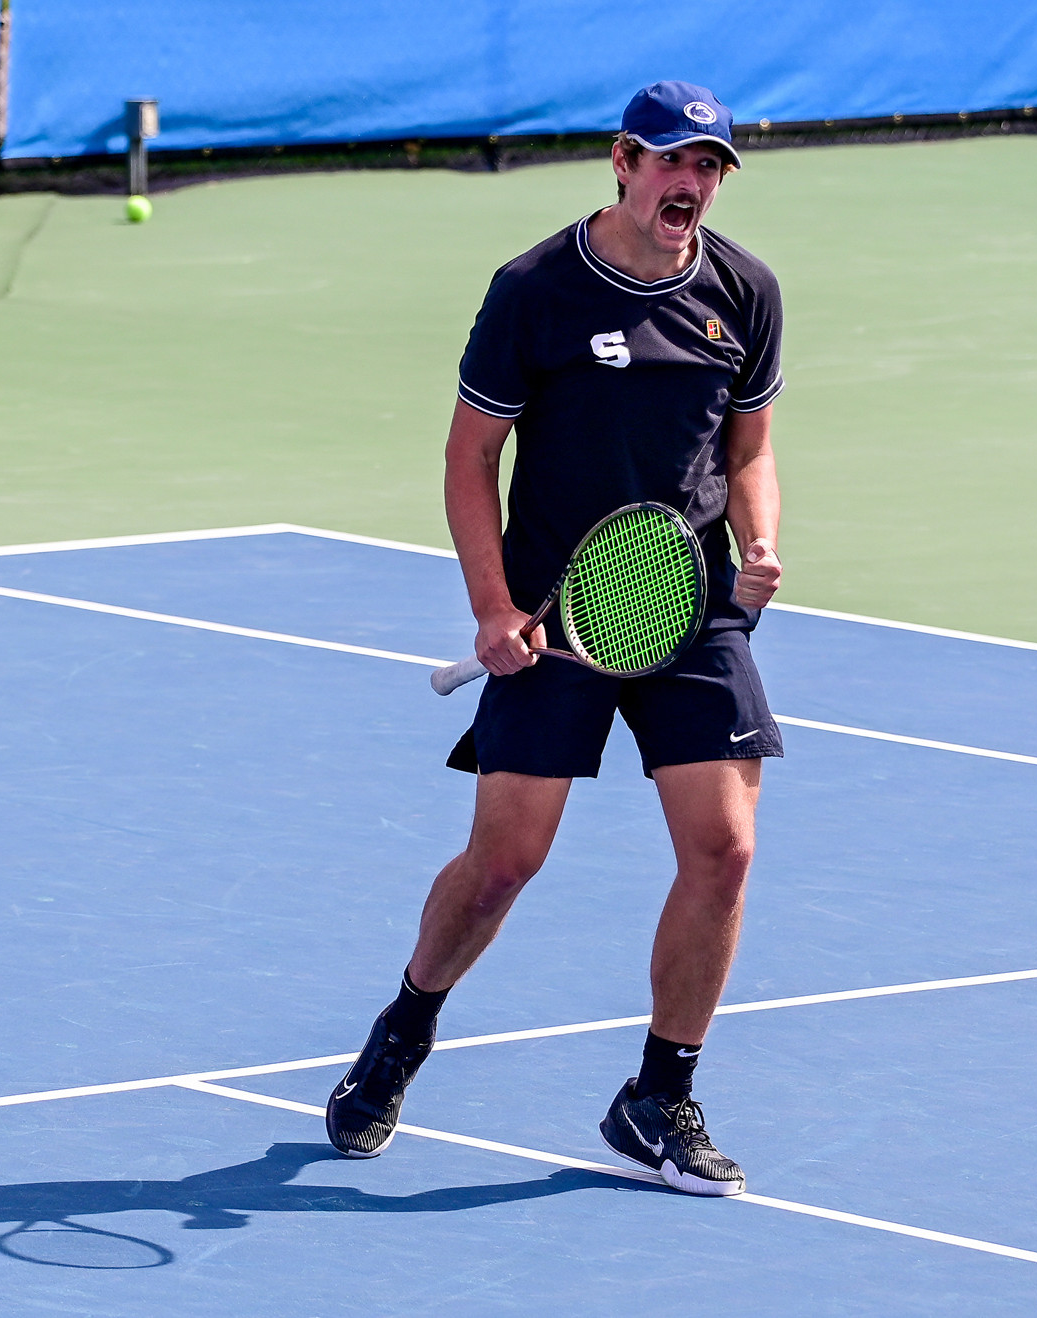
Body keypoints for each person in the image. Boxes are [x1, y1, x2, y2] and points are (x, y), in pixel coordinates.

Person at [325, 80, 785, 1197]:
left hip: (686, 600)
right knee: (503, 865)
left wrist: (764, 541)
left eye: (711, 168)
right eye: (675, 162)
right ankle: (408, 1025)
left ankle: (657, 1094)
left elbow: (751, 450)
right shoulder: (535, 289)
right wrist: (490, 605)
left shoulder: (745, 291)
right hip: (549, 615)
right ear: (624, 161)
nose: (693, 185)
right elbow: (468, 457)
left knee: (723, 849)